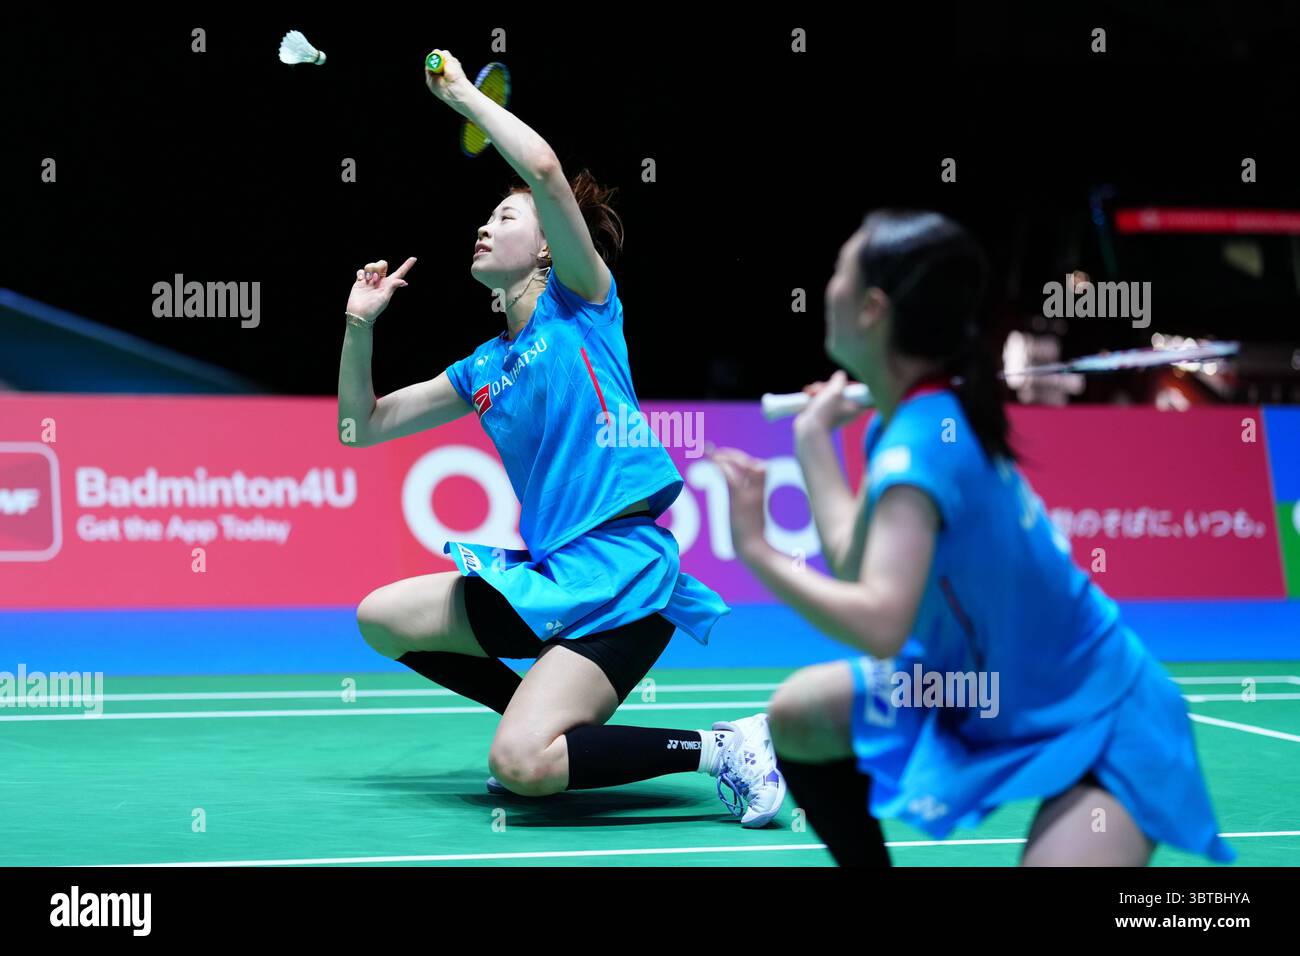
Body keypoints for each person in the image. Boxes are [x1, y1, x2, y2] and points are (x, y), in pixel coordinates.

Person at [335, 50, 785, 827]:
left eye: (504, 218)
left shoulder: (583, 304)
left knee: (521, 766)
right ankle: (544, 719)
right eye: (487, 217)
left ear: (548, 248)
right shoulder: (483, 368)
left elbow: (544, 169)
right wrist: (356, 327)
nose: (484, 225)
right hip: (550, 578)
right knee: (380, 616)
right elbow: (359, 428)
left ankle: (728, 747)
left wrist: (465, 99)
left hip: (620, 580)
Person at [710, 209, 1234, 863]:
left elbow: (879, 624)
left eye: (839, 274)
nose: (826, 291)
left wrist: (756, 549)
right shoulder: (909, 428)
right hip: (977, 684)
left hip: (1094, 713)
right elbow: (857, 567)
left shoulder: (926, 441)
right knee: (799, 715)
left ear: (873, 309)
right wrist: (815, 440)